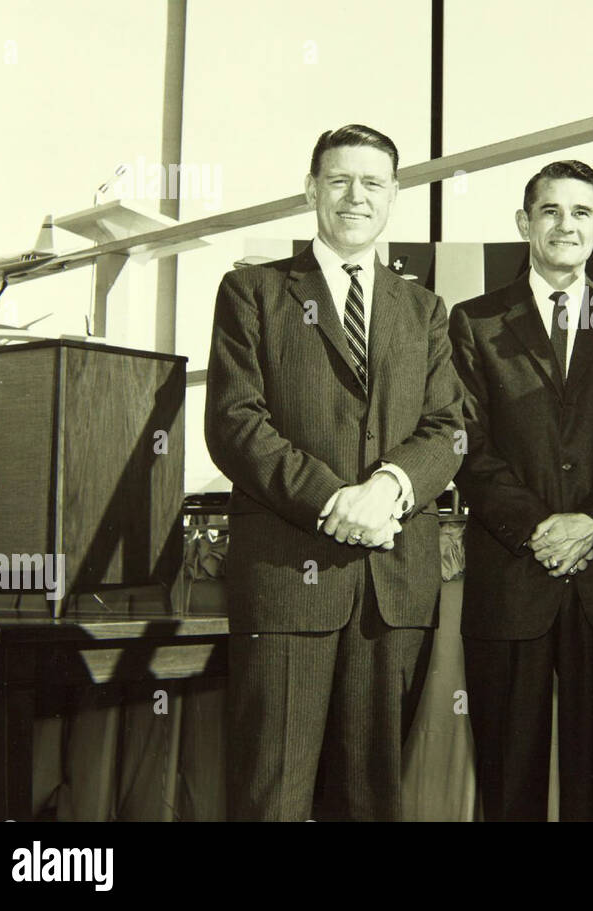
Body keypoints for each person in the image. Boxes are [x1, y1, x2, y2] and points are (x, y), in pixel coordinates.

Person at [205, 124, 464, 821]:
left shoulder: (424, 309)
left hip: (393, 593)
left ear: (394, 196)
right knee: (272, 796)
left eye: (373, 182)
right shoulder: (251, 292)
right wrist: (332, 500)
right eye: (340, 179)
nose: (356, 196)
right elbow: (235, 423)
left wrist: (389, 488)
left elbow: (448, 430)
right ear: (312, 188)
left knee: (372, 799)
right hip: (290, 583)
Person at [449, 159, 593, 821]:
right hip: (512, 576)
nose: (565, 224)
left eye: (580, 213)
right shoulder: (475, 322)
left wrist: (590, 523)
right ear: (525, 222)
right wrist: (540, 528)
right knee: (506, 775)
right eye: (550, 210)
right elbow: (465, 443)